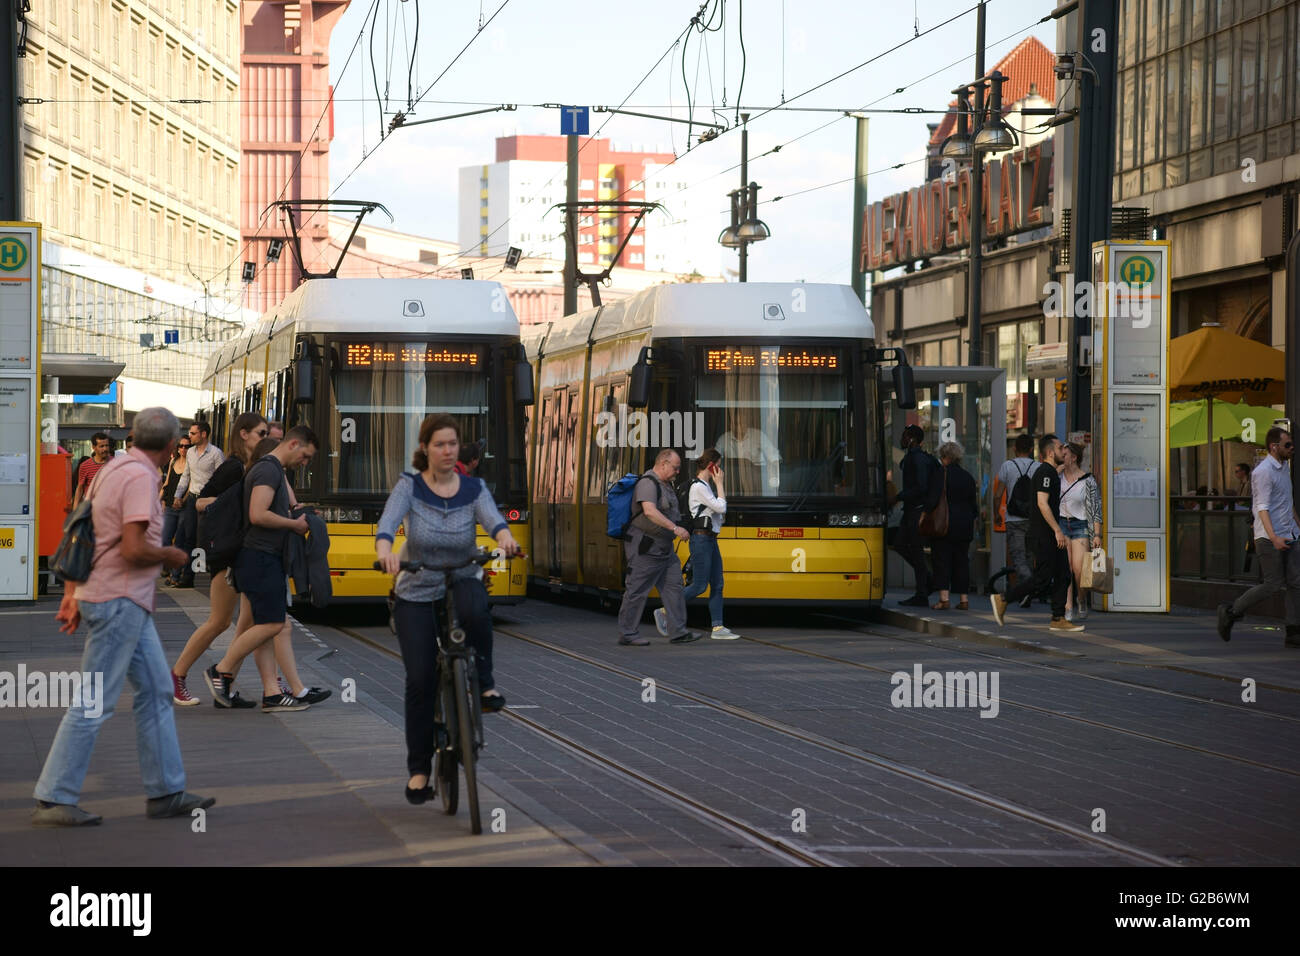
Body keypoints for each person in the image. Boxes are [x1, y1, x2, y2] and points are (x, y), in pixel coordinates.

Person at [32, 407, 215, 826]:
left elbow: (83, 530)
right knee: (94, 702)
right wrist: (170, 554)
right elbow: (133, 549)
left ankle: (166, 790)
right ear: (172, 447)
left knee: (155, 693)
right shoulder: (138, 478)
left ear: (131, 436)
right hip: (118, 600)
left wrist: (73, 592)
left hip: (121, 600)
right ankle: (55, 795)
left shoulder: (112, 470)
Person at [374, 413, 522, 804]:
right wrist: (386, 553)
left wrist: (505, 539)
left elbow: (494, 521)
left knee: (477, 612)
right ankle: (420, 770)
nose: (447, 450)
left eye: (452, 444)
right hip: (417, 585)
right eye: (439, 444)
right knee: (420, 679)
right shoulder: (409, 486)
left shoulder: (473, 487)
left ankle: (485, 685)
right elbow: (387, 525)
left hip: (460, 576)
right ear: (425, 448)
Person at [203, 426, 320, 711]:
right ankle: (222, 669)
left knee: (263, 625)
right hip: (260, 557)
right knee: (274, 624)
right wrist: (294, 525)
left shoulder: (271, 469)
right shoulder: (268, 470)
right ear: (293, 444)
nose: (305, 463)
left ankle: (272, 694)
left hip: (260, 557)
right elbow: (258, 513)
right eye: (305, 456)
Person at [170, 414, 280, 707]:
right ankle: (177, 675)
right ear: (243, 434)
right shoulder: (233, 467)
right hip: (227, 553)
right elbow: (202, 501)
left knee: (248, 624)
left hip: (241, 553)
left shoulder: (255, 467)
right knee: (219, 621)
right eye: (260, 432)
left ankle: (226, 687)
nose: (265, 437)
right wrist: (229, 505)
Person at [990, 434, 1083, 632]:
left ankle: (1058, 617)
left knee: (1063, 574)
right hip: (1044, 534)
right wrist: (1057, 530)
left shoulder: (1048, 471)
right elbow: (1042, 503)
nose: (1063, 451)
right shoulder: (1045, 473)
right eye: (1060, 449)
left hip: (1049, 532)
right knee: (1042, 578)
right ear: (1050, 453)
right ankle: (1004, 598)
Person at [1218, 427, 1300, 647]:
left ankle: (1293, 631)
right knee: (1273, 584)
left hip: (1290, 533)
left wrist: (1298, 526)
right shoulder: (1263, 472)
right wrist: (1273, 538)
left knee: (1296, 582)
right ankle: (1231, 611)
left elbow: (1287, 501)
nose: (1292, 448)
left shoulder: (1284, 467)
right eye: (1288, 445)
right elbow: (1262, 508)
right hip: (1268, 536)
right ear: (1274, 447)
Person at [616, 449, 698, 646]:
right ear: (663, 464)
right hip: (646, 547)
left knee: (674, 586)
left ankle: (678, 631)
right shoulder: (648, 483)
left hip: (664, 549)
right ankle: (628, 633)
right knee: (637, 589)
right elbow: (649, 512)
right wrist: (675, 528)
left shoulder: (666, 484)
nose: (678, 472)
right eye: (675, 468)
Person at [680, 449, 740, 639]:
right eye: (719, 466)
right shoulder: (699, 487)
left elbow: (718, 515)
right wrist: (720, 483)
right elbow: (722, 507)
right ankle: (666, 609)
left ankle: (717, 627)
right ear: (711, 466)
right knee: (699, 586)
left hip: (710, 539)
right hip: (701, 540)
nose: (720, 470)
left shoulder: (705, 487)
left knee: (717, 584)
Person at [170, 421, 224, 589]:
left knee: (206, 539)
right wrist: (178, 496)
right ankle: (188, 577)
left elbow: (222, 478)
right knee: (188, 538)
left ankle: (214, 575)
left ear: (203, 434)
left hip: (209, 501)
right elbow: (186, 476)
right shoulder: (191, 453)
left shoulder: (216, 454)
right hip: (193, 499)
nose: (190, 435)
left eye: (193, 433)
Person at [925, 441, 978, 611]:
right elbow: (974, 506)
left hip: (945, 525)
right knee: (962, 561)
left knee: (942, 560)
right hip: (965, 526)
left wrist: (924, 512)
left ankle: (944, 599)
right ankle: (964, 600)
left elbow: (932, 500)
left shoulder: (940, 474)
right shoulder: (968, 476)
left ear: (945, 457)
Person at [1058, 441, 1102, 621]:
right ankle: (1068, 606)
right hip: (1061, 524)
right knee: (1065, 568)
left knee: (1079, 569)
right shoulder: (1057, 476)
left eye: (1065, 454)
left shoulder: (1088, 480)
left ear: (1074, 457)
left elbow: (1095, 510)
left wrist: (1097, 535)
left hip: (1080, 525)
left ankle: (1081, 598)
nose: (1062, 457)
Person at [893, 424, 937, 607]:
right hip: (911, 510)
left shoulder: (918, 459)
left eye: (905, 436)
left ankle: (922, 592)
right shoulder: (913, 457)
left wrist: (898, 496)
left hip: (917, 510)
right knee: (900, 544)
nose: (902, 440)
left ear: (911, 439)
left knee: (916, 551)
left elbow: (921, 486)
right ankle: (926, 580)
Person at [994, 434, 1037, 595]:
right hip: (1032, 518)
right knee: (1029, 556)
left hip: (1013, 519)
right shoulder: (1037, 467)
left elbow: (998, 494)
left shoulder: (1007, 466)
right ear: (1032, 449)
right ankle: (1025, 593)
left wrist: (997, 513)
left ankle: (1028, 585)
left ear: (1014, 448)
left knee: (1017, 556)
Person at [159, 437, 189, 572]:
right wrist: (159, 499)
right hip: (170, 504)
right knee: (165, 539)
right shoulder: (173, 461)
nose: (183, 449)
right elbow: (167, 483)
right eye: (181, 446)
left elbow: (191, 485)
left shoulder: (192, 464)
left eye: (187, 446)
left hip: (183, 506)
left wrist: (184, 499)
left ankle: (175, 573)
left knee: (179, 541)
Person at [71, 432, 112, 508]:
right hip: (92, 509)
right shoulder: (85, 466)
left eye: (107, 445)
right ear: (94, 447)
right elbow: (80, 488)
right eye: (101, 446)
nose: (105, 449)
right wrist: (75, 509)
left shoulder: (116, 463)